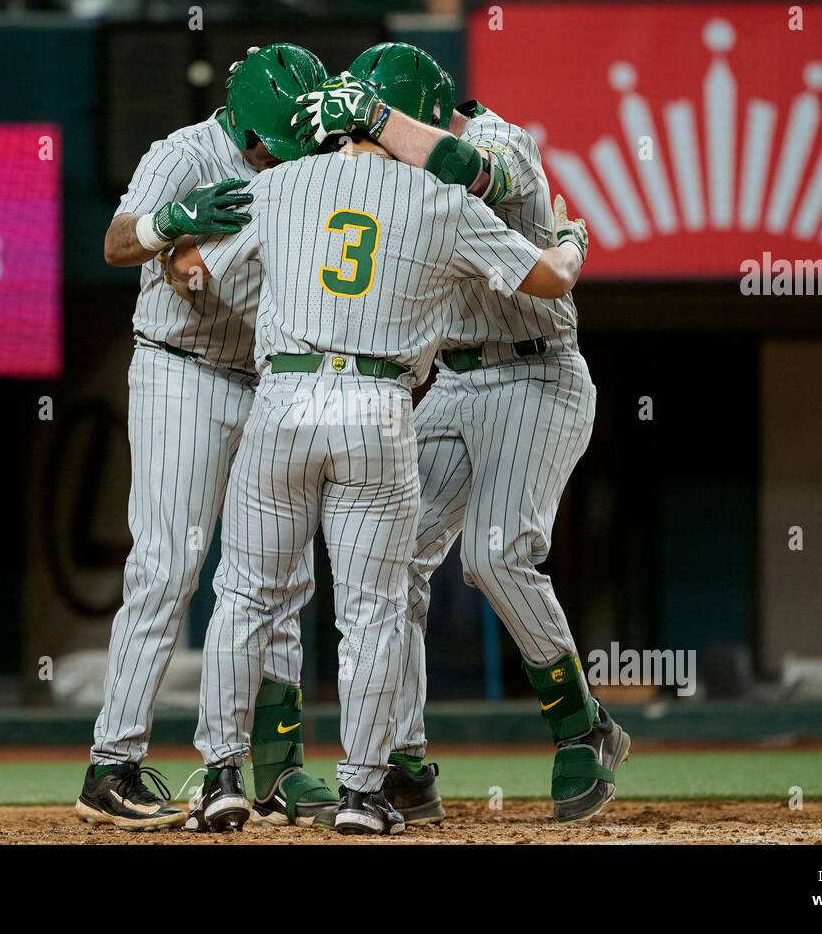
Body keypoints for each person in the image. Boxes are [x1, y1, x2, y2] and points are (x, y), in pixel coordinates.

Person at [167, 114, 589, 835]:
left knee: (244, 596)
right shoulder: (440, 199)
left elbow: (193, 272)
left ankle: (223, 779)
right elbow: (549, 277)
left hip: (284, 397)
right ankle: (364, 793)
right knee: (375, 608)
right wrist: (573, 238)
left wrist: (176, 238)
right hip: (380, 405)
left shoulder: (283, 182)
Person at [291, 43, 630, 826]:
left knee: (494, 554)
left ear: (412, 106)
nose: (367, 145)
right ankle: (405, 761)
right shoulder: (390, 169)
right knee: (395, 560)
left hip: (538, 374)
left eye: (378, 123)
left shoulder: (500, 139)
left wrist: (378, 120)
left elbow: (465, 171)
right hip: (456, 380)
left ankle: (584, 725)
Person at [75, 43, 337, 831]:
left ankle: (279, 765)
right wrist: (172, 221)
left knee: (281, 579)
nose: (275, 154)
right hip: (180, 371)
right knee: (168, 564)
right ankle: (112, 763)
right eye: (268, 140)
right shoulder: (183, 152)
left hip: (266, 374)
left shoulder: (309, 160)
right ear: (244, 117)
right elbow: (117, 244)